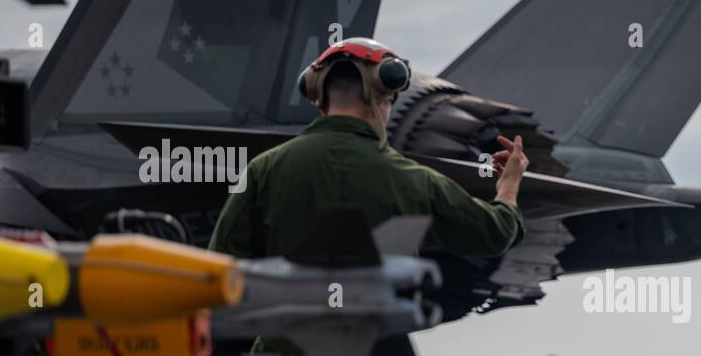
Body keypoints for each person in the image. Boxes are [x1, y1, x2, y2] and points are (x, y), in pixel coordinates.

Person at [209, 37, 526, 260]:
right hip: (379, 350)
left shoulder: (262, 171)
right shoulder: (413, 180)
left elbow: (217, 267)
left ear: (318, 95)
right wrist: (509, 183)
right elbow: (494, 234)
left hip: (279, 351)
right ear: (382, 97)